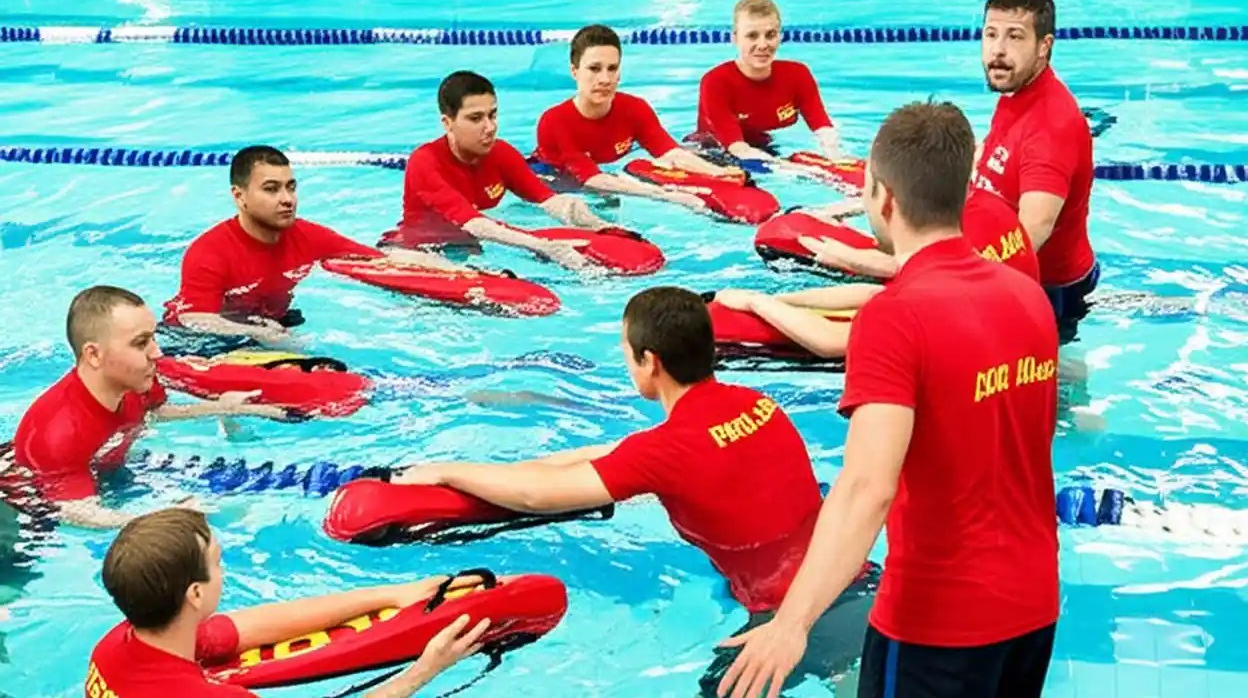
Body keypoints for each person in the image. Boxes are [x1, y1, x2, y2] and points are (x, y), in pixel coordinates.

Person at [715, 101, 1060, 698]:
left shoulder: (894, 319)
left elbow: (865, 488)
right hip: (1034, 608)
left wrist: (792, 623)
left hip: (938, 623)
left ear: (883, 198)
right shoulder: (1028, 300)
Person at [393, 286, 877, 696]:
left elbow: (539, 497)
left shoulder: (666, 450)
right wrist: (515, 466)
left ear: (650, 362)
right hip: (858, 582)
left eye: (626, 353)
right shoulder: (757, 404)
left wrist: (449, 473)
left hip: (794, 617)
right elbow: (608, 454)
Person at [85, 507, 491, 697]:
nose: (224, 570)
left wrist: (391, 594)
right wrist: (426, 669)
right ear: (194, 593)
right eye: (218, 561)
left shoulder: (115, 645)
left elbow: (245, 628)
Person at [8, 286, 285, 530]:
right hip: (25, 503)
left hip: (106, 471)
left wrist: (221, 407)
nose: (157, 352)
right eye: (141, 343)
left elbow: (155, 413)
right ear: (93, 354)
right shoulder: (58, 432)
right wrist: (165, 517)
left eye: (153, 338)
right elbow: (76, 512)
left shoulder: (135, 381)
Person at [162, 145, 449, 348]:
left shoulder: (307, 236)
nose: (287, 199)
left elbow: (380, 259)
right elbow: (195, 318)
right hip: (196, 341)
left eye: (291, 187)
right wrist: (255, 333)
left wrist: (451, 270)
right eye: (272, 189)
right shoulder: (209, 252)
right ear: (239, 196)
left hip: (269, 324)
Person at [714, 188, 1039, 359]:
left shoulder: (938, 291)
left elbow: (830, 342)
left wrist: (758, 302)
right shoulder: (992, 210)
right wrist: (781, 300)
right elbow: (877, 293)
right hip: (1024, 340)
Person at [387, 70, 614, 271]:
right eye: (476, 118)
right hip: (416, 253)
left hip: (469, 249)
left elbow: (546, 199)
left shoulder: (501, 153)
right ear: (448, 123)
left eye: (492, 115)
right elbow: (474, 223)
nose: (490, 127)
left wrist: (600, 225)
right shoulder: (425, 162)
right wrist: (541, 245)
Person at [974, 0, 1097, 343]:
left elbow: (1029, 236)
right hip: (1015, 275)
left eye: (1014, 37)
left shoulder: (1050, 126)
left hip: (1051, 293)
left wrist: (954, 276)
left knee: (1058, 397)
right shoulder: (1017, 92)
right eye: (991, 34)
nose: (997, 50)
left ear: (1044, 46)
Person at [533, 24, 741, 210]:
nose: (605, 79)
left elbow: (669, 152)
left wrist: (715, 172)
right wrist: (664, 195)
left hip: (601, 176)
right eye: (594, 69)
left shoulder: (634, 108)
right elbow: (592, 179)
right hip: (557, 182)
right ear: (574, 71)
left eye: (612, 68)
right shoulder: (555, 121)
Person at [693, 0, 843, 164]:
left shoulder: (798, 74)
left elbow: (822, 126)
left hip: (765, 147)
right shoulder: (715, 82)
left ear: (780, 37)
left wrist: (835, 158)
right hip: (714, 154)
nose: (763, 45)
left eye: (770, 35)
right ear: (734, 38)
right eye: (752, 36)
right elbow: (736, 147)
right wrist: (792, 168)